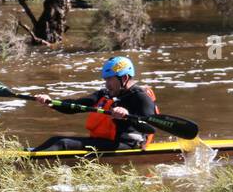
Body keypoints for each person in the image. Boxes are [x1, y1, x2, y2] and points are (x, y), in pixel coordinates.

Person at [30, 56, 160, 153]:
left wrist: (126, 116)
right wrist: (51, 103)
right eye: (105, 80)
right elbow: (75, 106)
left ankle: (28, 162)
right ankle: (32, 153)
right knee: (56, 140)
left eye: (110, 79)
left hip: (128, 145)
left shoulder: (141, 97)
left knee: (62, 143)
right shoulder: (105, 94)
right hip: (107, 142)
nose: (106, 84)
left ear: (124, 78)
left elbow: (151, 128)